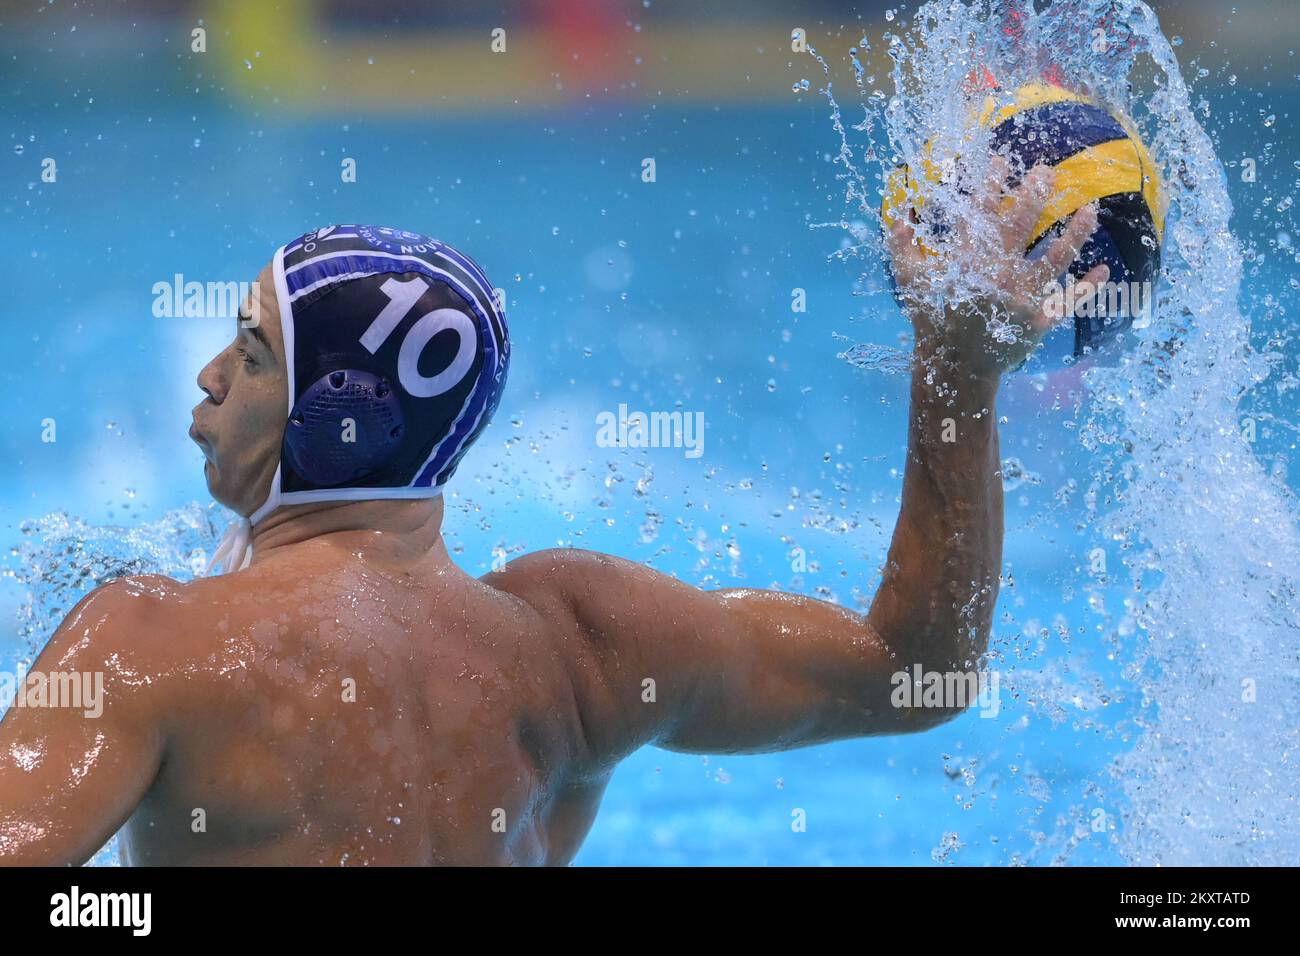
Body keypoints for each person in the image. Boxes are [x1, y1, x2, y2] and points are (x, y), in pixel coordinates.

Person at [0, 172, 1106, 865]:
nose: (207, 375)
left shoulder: (147, 641)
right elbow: (918, 670)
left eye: (251, 354)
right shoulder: (582, 642)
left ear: (341, 419)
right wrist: (958, 371)